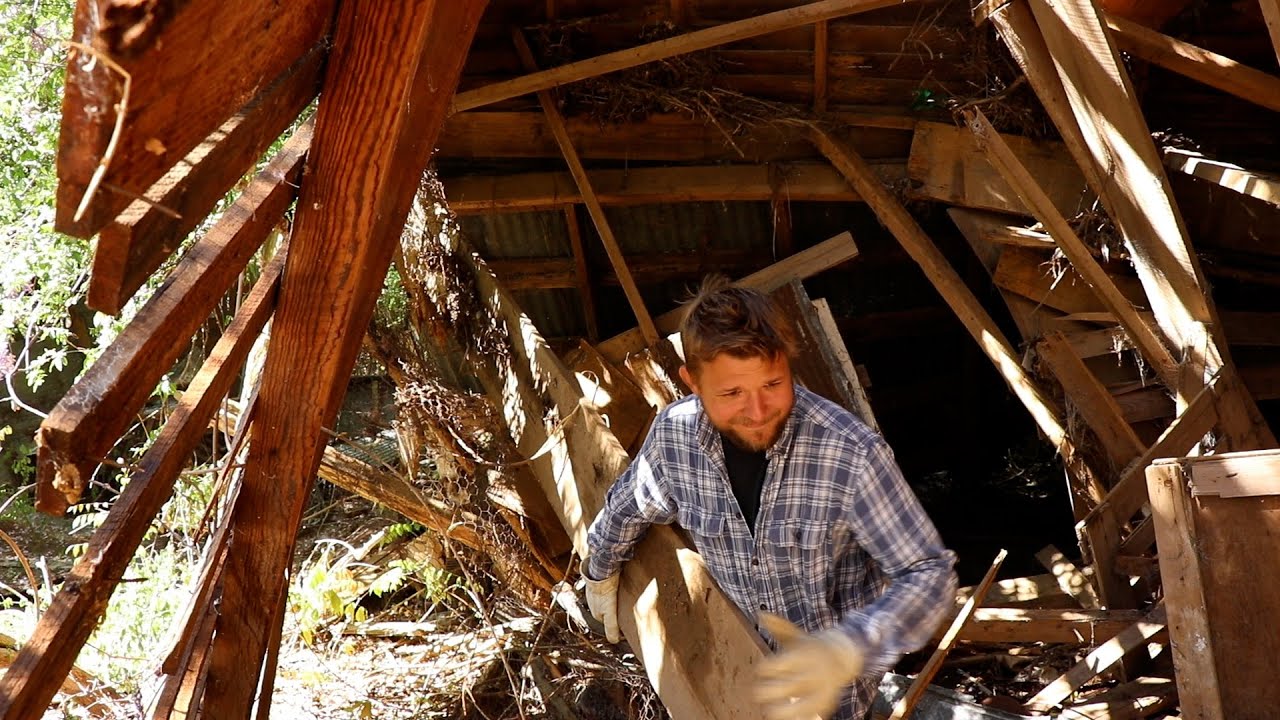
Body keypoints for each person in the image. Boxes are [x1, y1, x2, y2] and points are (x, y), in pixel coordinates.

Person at [582, 276, 958, 720]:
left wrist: (847, 648)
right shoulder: (675, 439)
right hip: (731, 676)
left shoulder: (849, 454)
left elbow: (928, 573)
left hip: (829, 698)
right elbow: (628, 504)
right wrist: (599, 569)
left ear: (789, 365)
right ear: (692, 382)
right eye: (732, 393)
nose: (757, 412)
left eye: (772, 385)